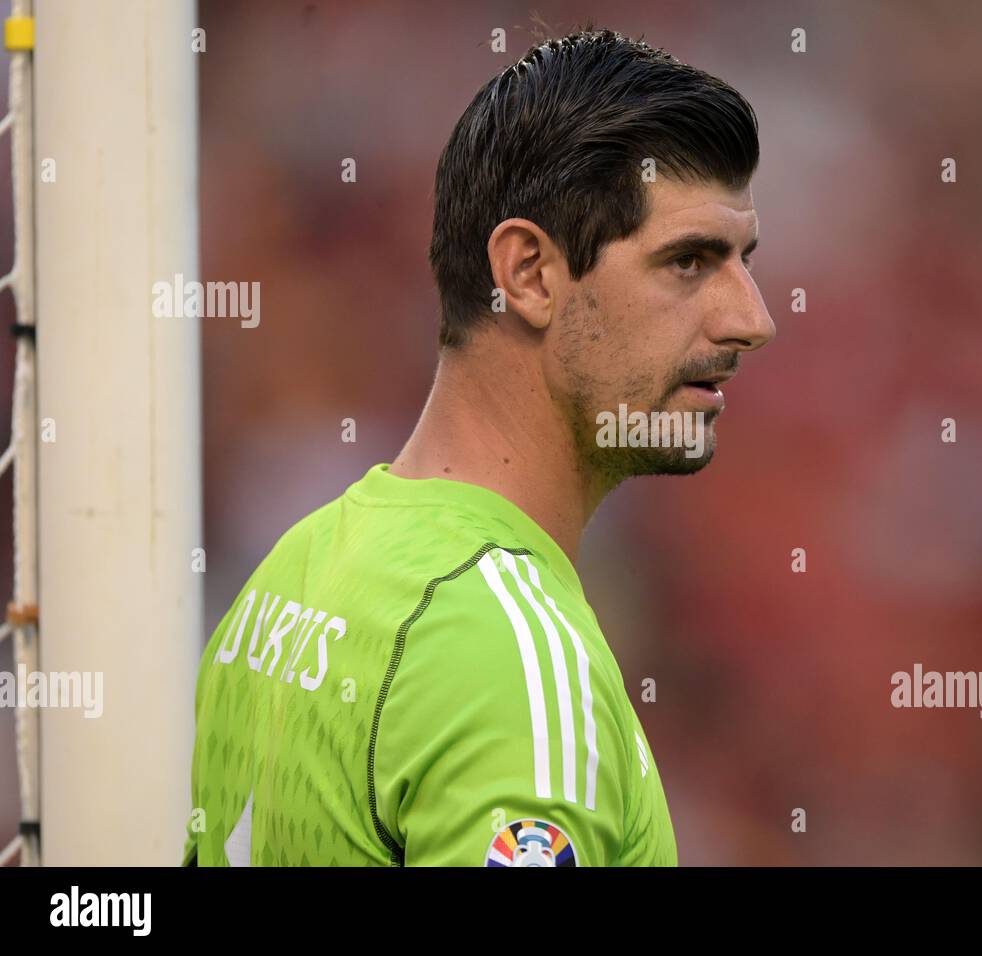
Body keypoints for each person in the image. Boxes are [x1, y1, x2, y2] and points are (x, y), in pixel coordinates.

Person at [183, 27, 774, 867]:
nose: (752, 319)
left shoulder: (295, 572)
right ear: (529, 272)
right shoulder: (509, 655)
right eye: (688, 262)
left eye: (743, 262)